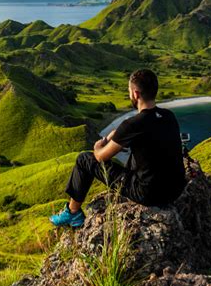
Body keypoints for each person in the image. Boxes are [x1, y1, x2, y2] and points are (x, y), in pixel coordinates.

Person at [49, 69, 187, 228]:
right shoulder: (169, 116)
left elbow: (100, 157)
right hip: (175, 190)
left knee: (84, 159)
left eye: (129, 92)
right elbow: (151, 141)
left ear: (135, 94)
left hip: (149, 194)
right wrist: (122, 137)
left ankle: (72, 214)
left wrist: (102, 142)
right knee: (137, 154)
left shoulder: (132, 124)